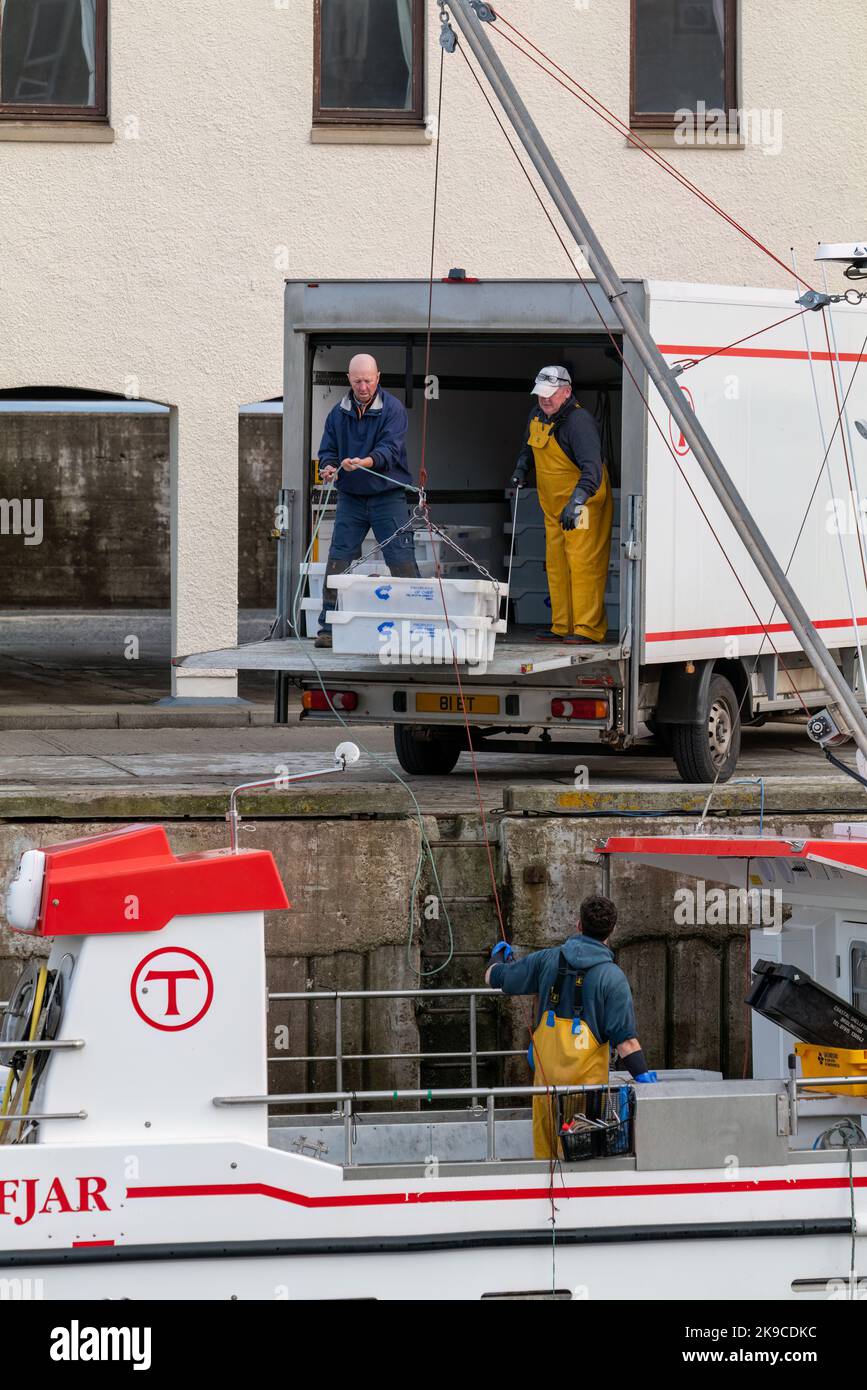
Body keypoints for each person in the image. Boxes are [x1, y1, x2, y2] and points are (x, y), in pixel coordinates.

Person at [485, 894, 656, 1160]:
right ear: (612, 931)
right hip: (586, 1099)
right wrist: (645, 1080)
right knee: (581, 1157)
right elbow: (626, 1043)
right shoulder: (613, 978)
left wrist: (496, 959)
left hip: (544, 1091)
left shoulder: (545, 960)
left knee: (545, 1161)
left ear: (578, 924)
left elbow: (495, 978)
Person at [314, 353, 419, 648]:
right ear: (349, 379)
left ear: (378, 377)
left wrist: (367, 461)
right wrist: (328, 467)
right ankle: (328, 627)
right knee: (337, 561)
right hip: (351, 498)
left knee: (402, 562)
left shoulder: (393, 410)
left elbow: (391, 449)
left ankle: (416, 624)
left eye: (368, 380)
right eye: (358, 380)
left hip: (388, 497)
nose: (363, 386)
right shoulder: (337, 413)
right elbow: (328, 449)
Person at [511, 366, 613, 644]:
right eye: (540, 394)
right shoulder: (537, 416)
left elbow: (592, 469)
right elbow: (528, 448)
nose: (544, 400)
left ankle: (587, 629)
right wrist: (521, 468)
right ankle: (562, 625)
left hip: (583, 505)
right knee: (556, 565)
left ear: (566, 392)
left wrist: (577, 500)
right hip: (553, 507)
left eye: (550, 394)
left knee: (582, 564)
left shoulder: (579, 423)